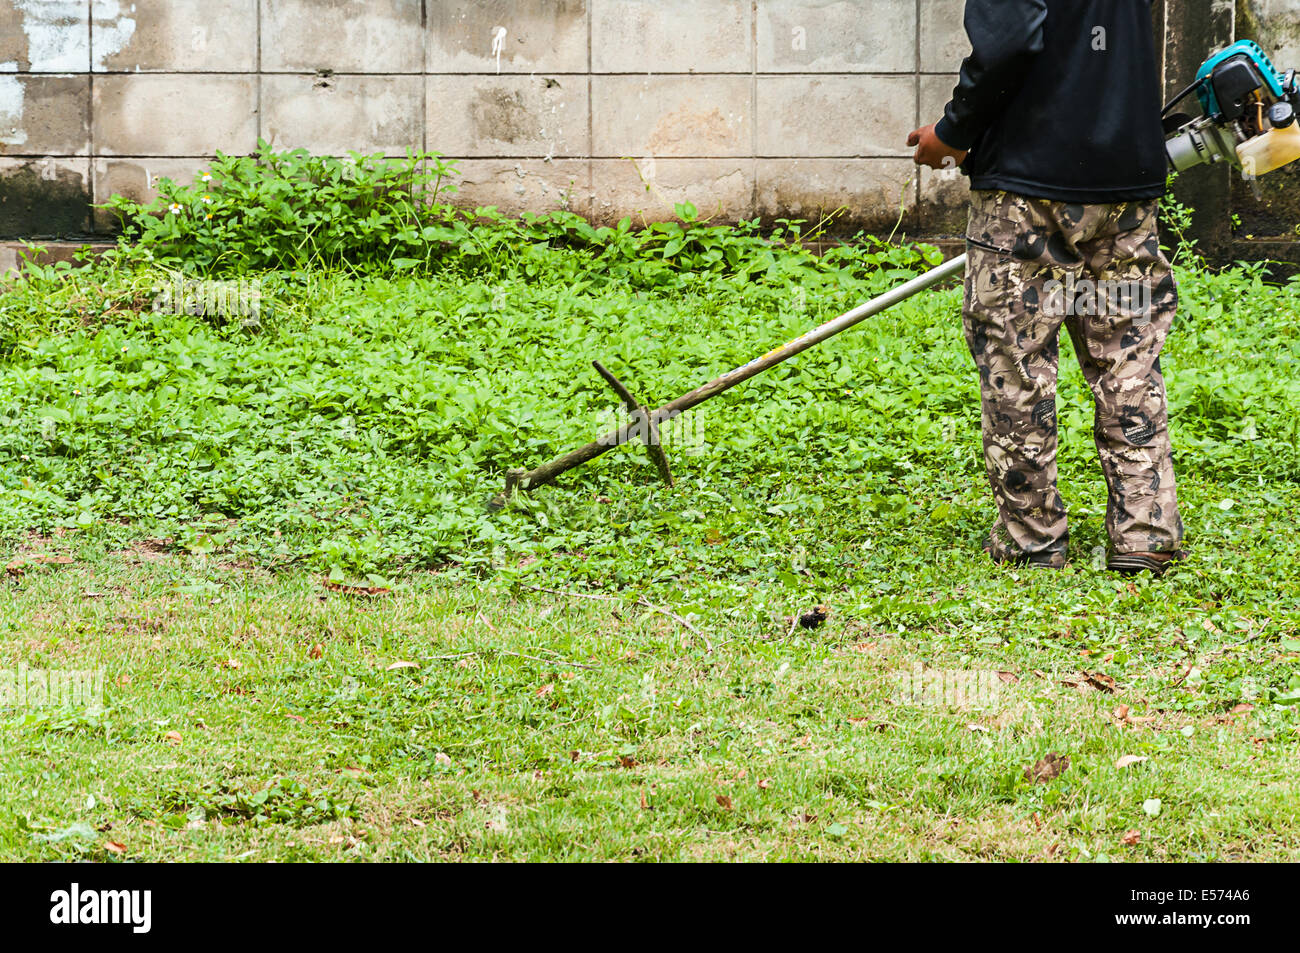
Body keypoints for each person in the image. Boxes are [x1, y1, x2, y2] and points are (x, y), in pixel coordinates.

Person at [908, 0, 1185, 575]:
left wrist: (953, 131)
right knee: (1128, 357)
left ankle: (1032, 537)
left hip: (1030, 187)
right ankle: (1145, 532)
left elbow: (1011, 40)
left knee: (1016, 359)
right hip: (1125, 181)